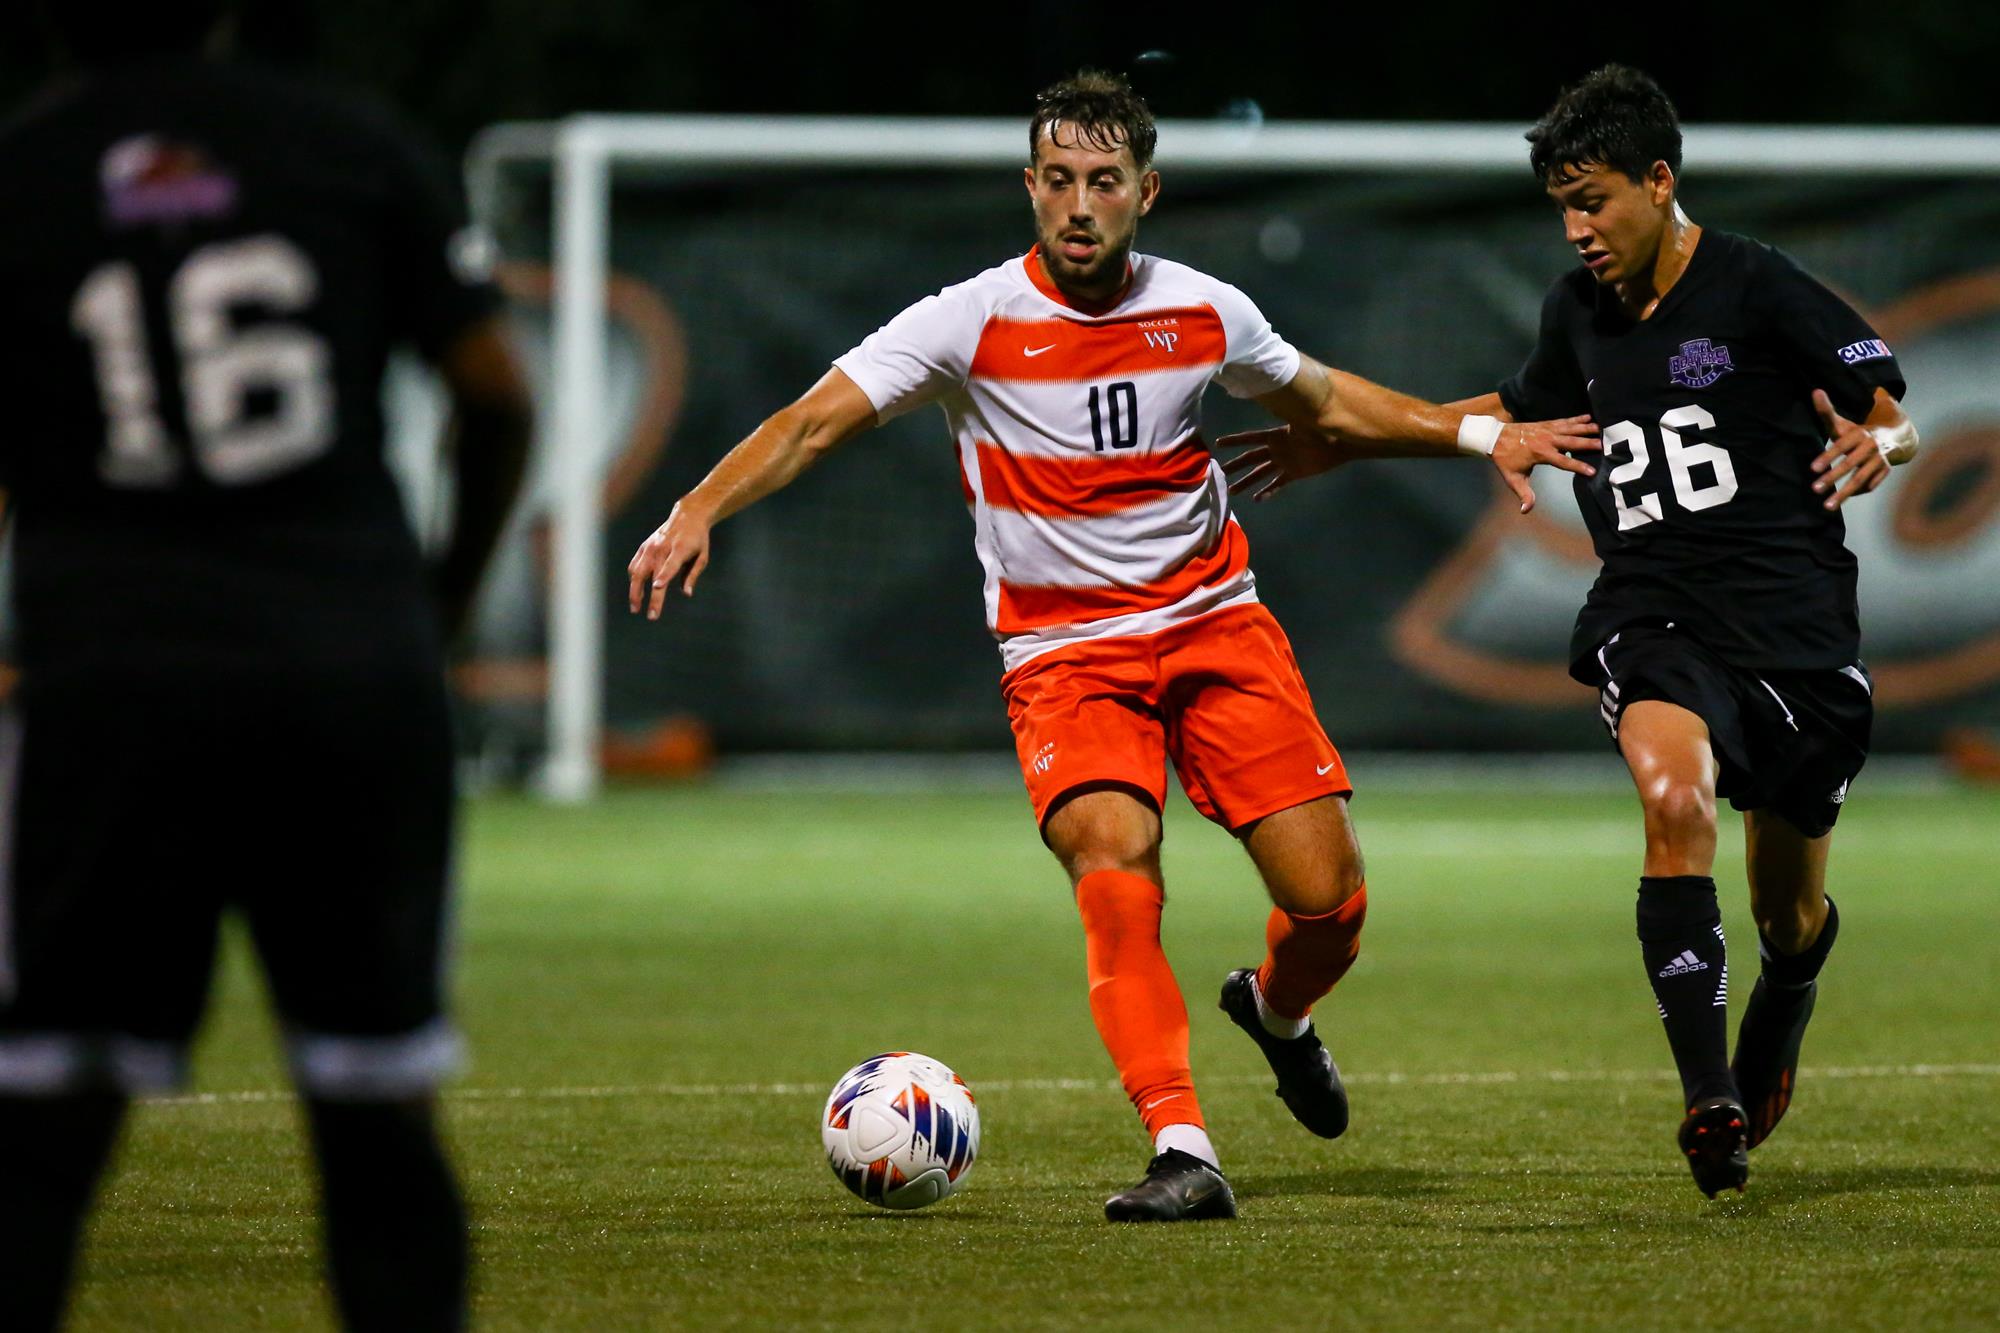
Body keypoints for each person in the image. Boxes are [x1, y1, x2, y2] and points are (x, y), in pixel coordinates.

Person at [626, 69, 1595, 1221]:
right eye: (1055, 181)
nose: (1076, 204)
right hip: (1064, 656)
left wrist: (1481, 430)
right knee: (1115, 874)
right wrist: (696, 506)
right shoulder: (966, 321)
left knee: (1328, 904)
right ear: (1028, 188)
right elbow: (807, 425)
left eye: (1100, 181)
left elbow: (1327, 402)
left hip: (1214, 625)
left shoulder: (1203, 311)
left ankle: (1275, 1012)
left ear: (1144, 190)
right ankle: (1183, 1148)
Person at [1220, 64, 1915, 1198]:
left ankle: (1782, 1003)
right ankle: (1709, 1103)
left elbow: (1893, 416)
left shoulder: (1757, 287)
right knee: (1670, 796)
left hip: (1791, 631)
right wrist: (1344, 442)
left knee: (1786, 913)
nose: (1575, 227)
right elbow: (1511, 414)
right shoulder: (1574, 312)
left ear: (1657, 180)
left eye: (1592, 199)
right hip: (1652, 615)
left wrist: (1880, 448)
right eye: (1560, 205)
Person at [0, 3, 533, 1327]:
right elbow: (494, 395)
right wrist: (439, 601)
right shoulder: (348, 143)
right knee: (373, 1113)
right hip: (344, 667)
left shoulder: (26, 168)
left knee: (46, 1121)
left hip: (110, 674)